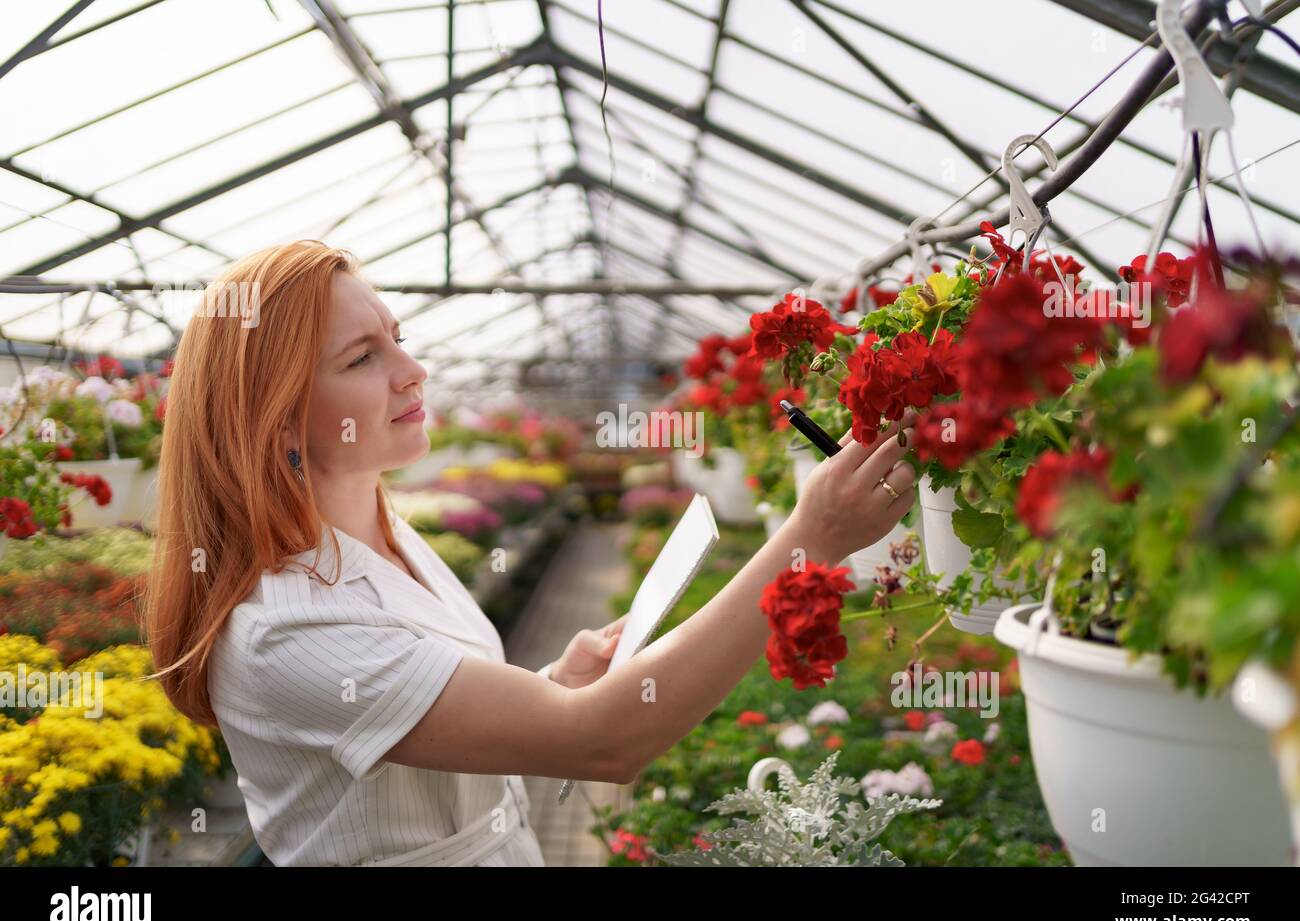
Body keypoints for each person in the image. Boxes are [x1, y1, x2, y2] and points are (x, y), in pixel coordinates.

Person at [143, 239, 917, 866]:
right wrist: (807, 539)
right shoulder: (286, 627)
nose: (413, 373)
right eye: (361, 359)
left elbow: (428, 725)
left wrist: (552, 683)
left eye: (398, 341)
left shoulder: (386, 534)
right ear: (277, 420)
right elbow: (606, 740)